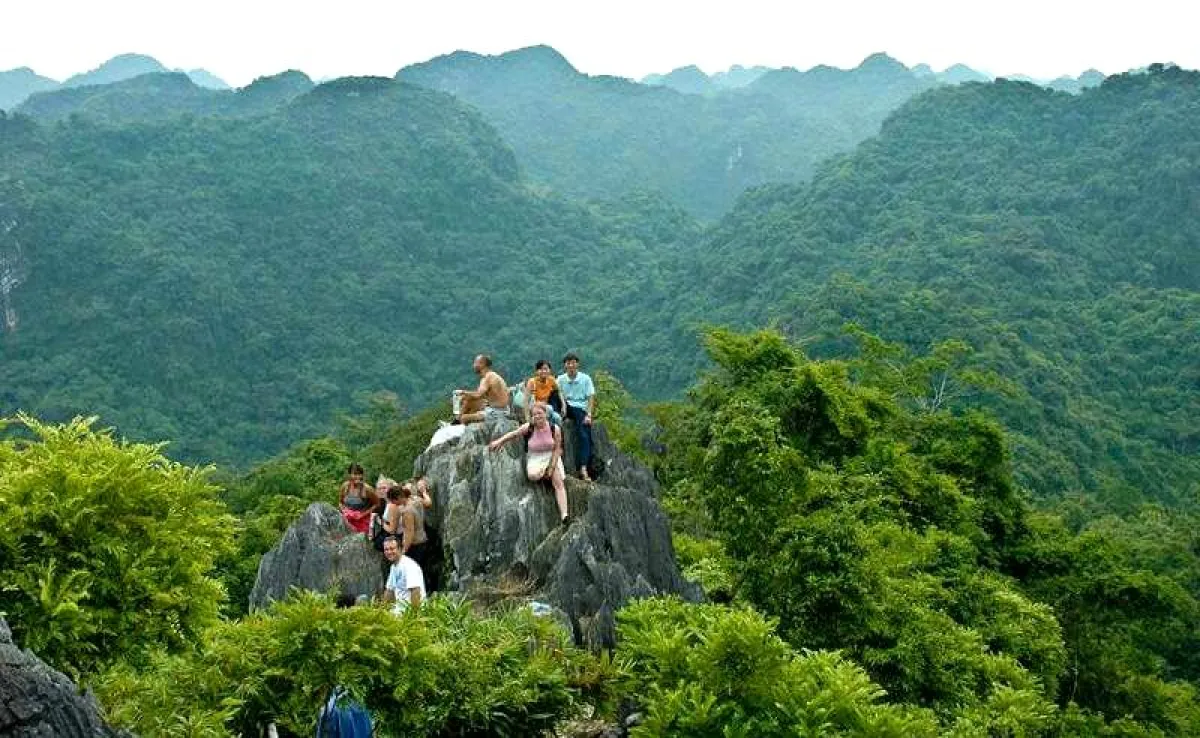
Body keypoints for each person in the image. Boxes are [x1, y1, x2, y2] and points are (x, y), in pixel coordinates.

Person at [488, 402, 571, 525]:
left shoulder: (554, 429)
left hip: (550, 456)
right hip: (536, 457)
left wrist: (552, 466)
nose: (537, 416)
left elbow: (557, 449)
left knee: (558, 483)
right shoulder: (529, 428)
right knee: (532, 476)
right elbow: (514, 434)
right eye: (534, 414)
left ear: (546, 414)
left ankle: (564, 514)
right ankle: (545, 474)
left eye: (540, 413)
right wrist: (499, 441)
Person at [558, 352, 597, 481]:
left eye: (573, 362)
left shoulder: (585, 379)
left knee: (584, 435)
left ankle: (583, 467)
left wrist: (589, 414)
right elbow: (557, 394)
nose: (571, 365)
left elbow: (591, 397)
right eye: (568, 363)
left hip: (580, 409)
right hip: (566, 407)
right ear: (565, 365)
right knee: (553, 395)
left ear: (577, 364)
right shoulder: (561, 379)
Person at [453, 354, 509, 424]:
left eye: (475, 363)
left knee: (464, 418)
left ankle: (459, 425)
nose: (473, 366)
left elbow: (478, 395)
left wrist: (462, 392)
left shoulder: (488, 377)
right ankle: (456, 420)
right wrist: (464, 397)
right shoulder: (491, 375)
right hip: (498, 409)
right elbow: (479, 396)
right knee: (468, 400)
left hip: (497, 412)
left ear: (482, 364)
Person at [382, 535, 425, 614]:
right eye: (386, 549)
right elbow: (389, 591)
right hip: (398, 610)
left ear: (400, 549)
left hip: (408, 613)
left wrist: (414, 616)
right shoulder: (393, 567)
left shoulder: (409, 566)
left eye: (392, 549)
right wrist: (380, 611)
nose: (389, 552)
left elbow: (416, 591)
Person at [338, 463, 377, 534]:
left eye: (360, 474)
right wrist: (344, 511)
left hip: (362, 523)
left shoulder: (367, 489)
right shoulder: (345, 487)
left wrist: (362, 515)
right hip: (347, 522)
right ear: (349, 475)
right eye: (355, 474)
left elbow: (376, 504)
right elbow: (340, 502)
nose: (358, 477)